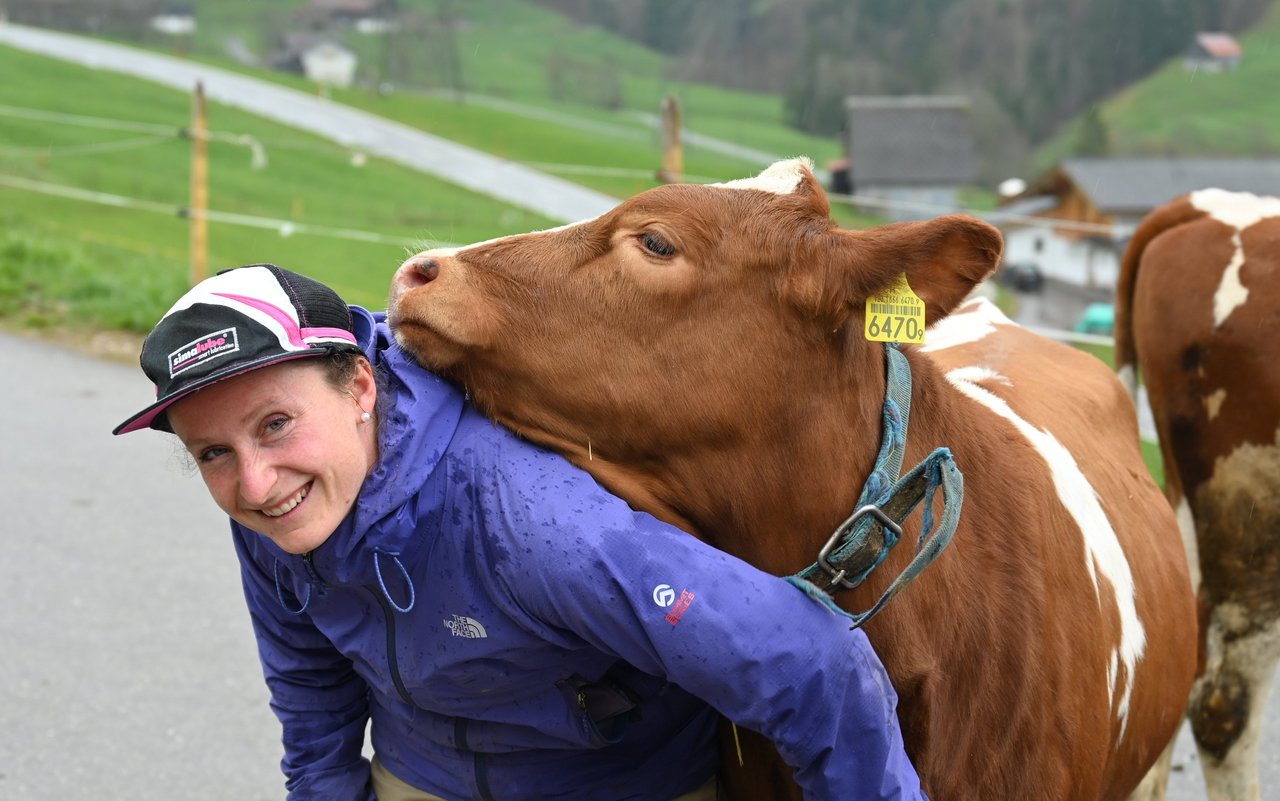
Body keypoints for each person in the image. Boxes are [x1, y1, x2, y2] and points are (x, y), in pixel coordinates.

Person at [114, 263, 926, 801]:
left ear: (361, 384)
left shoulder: (534, 527)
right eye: (212, 452)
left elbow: (811, 661)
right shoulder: (281, 507)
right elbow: (307, 681)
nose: (254, 483)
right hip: (421, 774)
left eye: (277, 423)